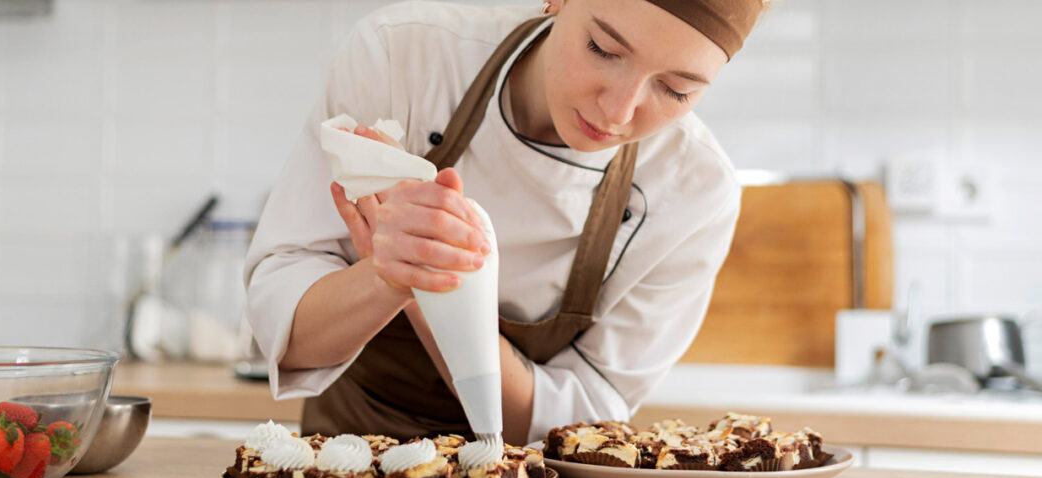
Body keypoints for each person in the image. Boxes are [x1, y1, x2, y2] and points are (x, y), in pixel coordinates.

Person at [244, 0, 768, 445]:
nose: (618, 110)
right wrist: (386, 278)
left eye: (676, 89)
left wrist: (434, 285)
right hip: (342, 469)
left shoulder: (695, 188)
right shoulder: (405, 55)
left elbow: (586, 427)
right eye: (603, 49)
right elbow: (281, 332)